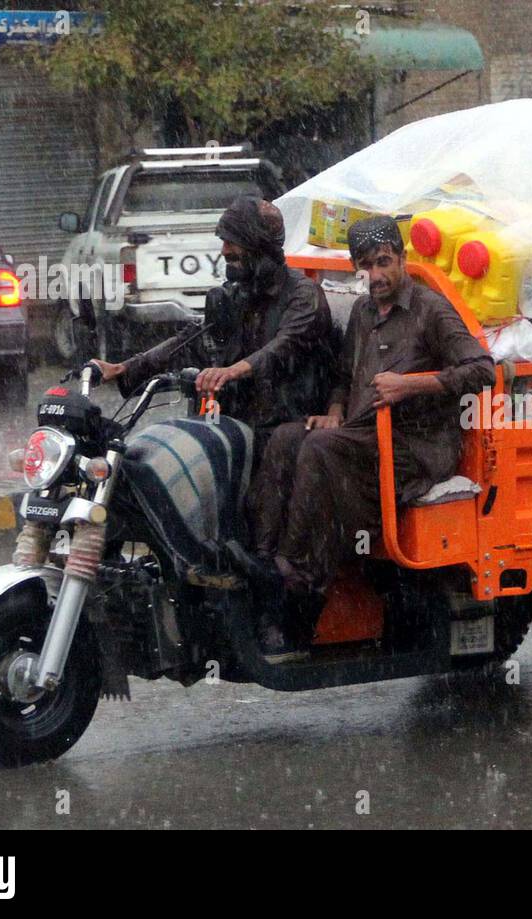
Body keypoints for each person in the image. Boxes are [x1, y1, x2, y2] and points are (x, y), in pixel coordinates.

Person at [253, 215, 496, 662]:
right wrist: (334, 411)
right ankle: (265, 564)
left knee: (322, 452)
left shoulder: (430, 309)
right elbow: (345, 376)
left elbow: (483, 370)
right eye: (367, 266)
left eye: (385, 262)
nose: (377, 275)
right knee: (288, 438)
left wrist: (413, 385)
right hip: (366, 434)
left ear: (403, 258)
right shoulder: (364, 312)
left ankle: (300, 589)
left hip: (416, 447)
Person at [91, 195, 338, 552]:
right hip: (237, 420)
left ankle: (267, 568)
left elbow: (284, 345)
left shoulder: (303, 294)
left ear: (258, 244)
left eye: (232, 241)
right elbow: (190, 339)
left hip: (290, 418)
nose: (224, 250)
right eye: (223, 241)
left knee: (263, 492)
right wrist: (126, 368)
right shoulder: (234, 295)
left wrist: (233, 371)